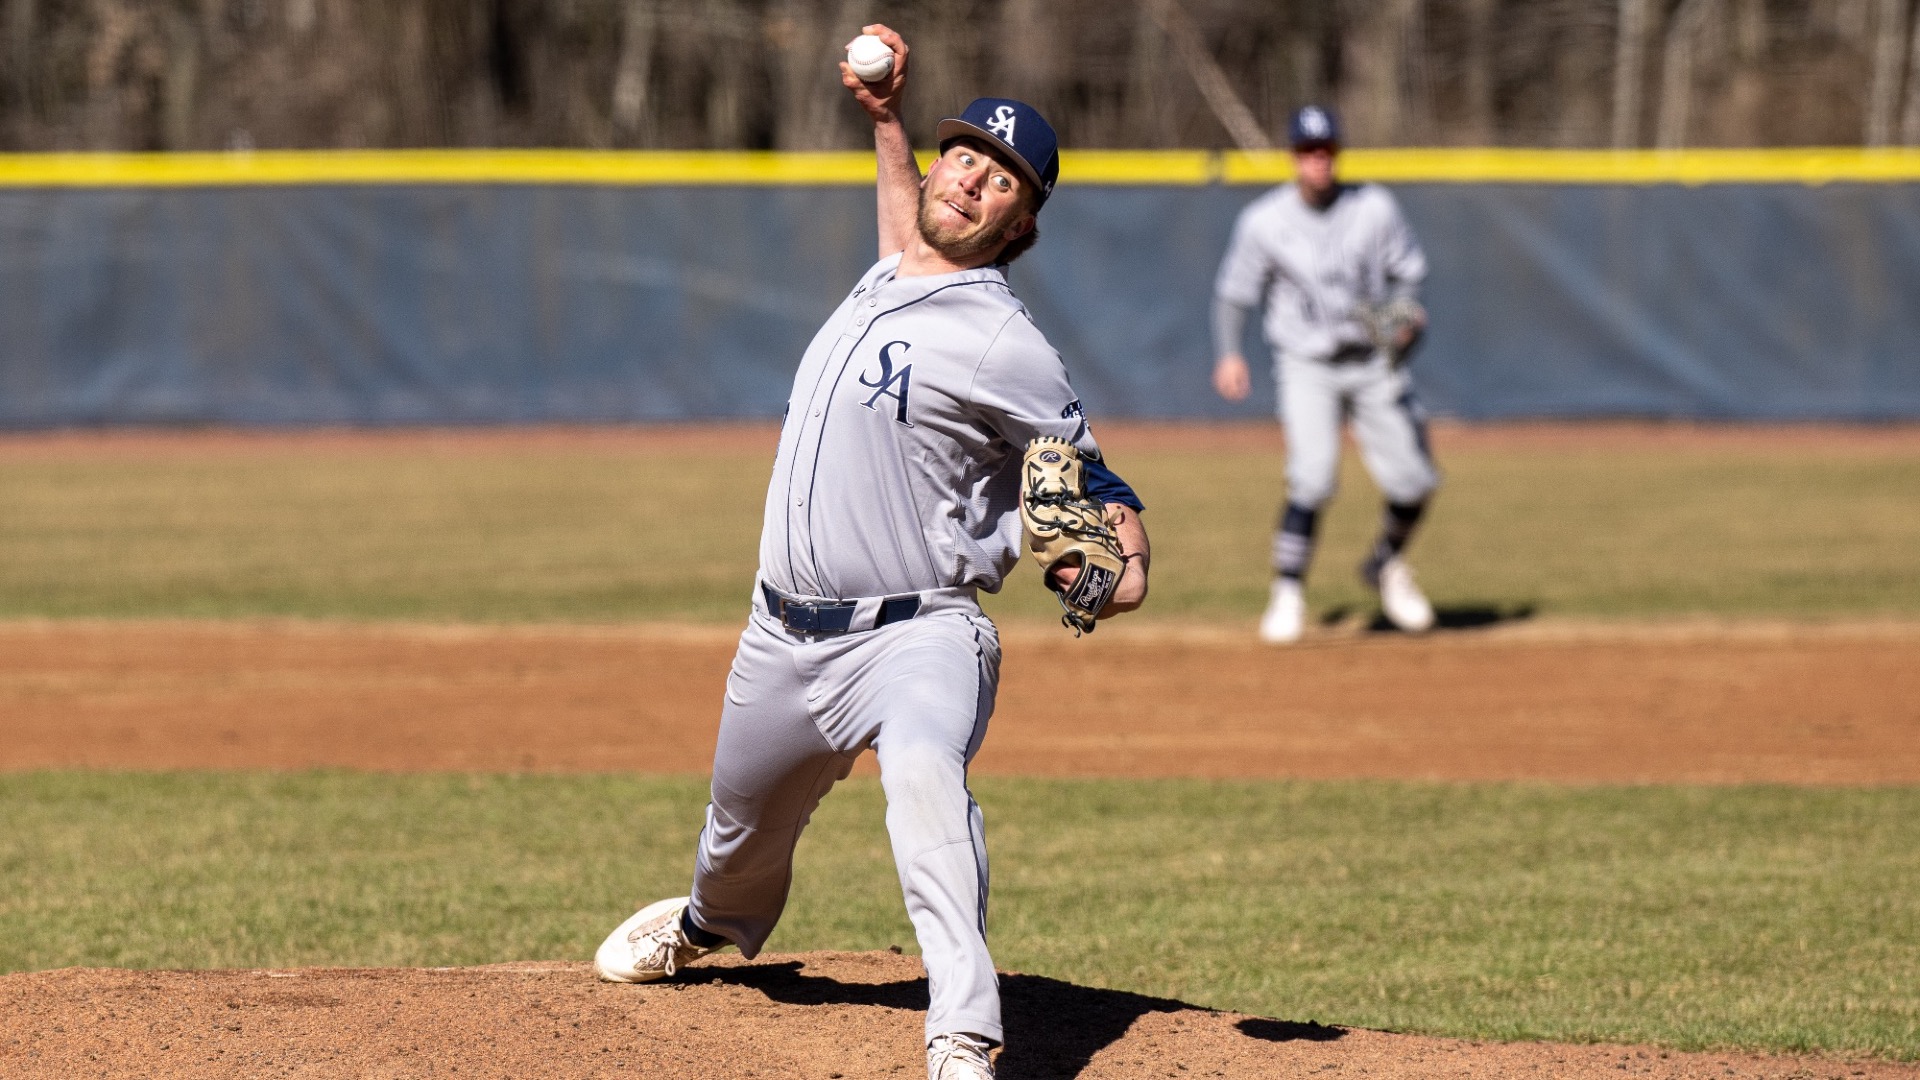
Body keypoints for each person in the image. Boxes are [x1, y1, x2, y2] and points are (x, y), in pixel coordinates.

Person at [591, 25, 1151, 1080]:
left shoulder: (1003, 340)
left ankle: (964, 1038)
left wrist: (1124, 567)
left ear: (1021, 224)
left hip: (918, 636)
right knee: (735, 836)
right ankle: (708, 927)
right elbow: (910, 220)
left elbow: (1093, 475)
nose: (973, 183)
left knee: (924, 782)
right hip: (780, 638)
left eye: (1002, 184)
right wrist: (889, 123)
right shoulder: (897, 267)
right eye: (966, 161)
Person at [1210, 104, 1439, 644]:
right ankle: (1287, 591)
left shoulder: (1375, 208)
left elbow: (1409, 279)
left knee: (1415, 481)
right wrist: (1229, 353)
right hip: (1306, 361)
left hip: (1369, 360)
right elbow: (1234, 293)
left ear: (1338, 153)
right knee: (1312, 477)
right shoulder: (1265, 221)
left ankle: (1386, 564)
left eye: (1327, 150)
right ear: (1294, 157)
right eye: (1309, 151)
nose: (1319, 161)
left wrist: (1404, 317)